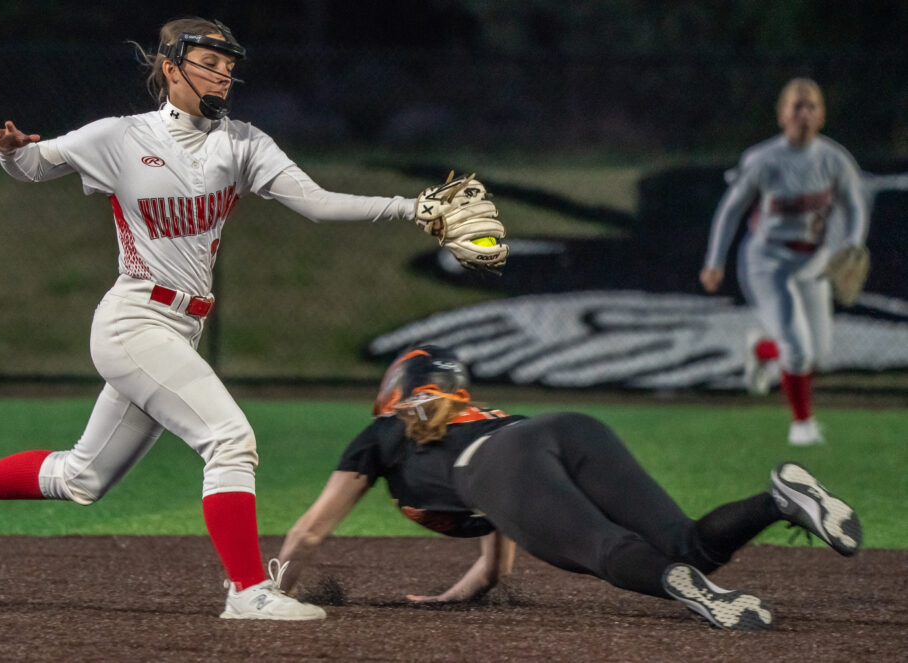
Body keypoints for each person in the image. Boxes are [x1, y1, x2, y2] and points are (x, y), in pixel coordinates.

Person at [0, 17, 470, 621]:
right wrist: (12, 150)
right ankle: (249, 592)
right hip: (133, 321)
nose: (224, 74)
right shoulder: (119, 137)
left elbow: (316, 204)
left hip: (179, 329)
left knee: (83, 477)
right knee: (230, 440)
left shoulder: (243, 142)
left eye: (230, 66)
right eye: (210, 62)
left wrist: (414, 207)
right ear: (170, 67)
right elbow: (35, 165)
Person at [276, 345, 862, 630]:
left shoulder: (384, 431)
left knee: (604, 550)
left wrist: (272, 589)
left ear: (397, 387)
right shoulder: (482, 412)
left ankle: (696, 594)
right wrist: (456, 597)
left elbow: (310, 531)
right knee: (685, 539)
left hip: (496, 468)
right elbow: (497, 564)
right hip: (561, 427)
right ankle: (779, 499)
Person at [699, 78, 870, 446]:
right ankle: (802, 426)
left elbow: (855, 206)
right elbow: (730, 211)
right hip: (767, 260)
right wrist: (714, 260)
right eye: (797, 106)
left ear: (822, 115)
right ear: (781, 115)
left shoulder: (834, 158)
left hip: (814, 262)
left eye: (812, 107)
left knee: (817, 355)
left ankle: (760, 350)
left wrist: (854, 244)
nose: (804, 114)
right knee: (797, 348)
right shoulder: (763, 159)